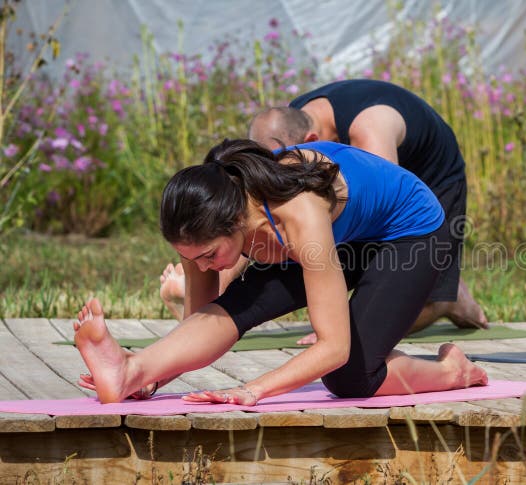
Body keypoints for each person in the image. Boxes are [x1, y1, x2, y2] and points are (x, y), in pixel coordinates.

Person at [75, 139, 487, 404]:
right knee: (235, 306)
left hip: (411, 233)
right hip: (343, 234)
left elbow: (333, 347)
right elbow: (205, 320)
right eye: (192, 259)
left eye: (209, 256)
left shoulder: (299, 214)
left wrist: (254, 389)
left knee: (349, 377)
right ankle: (126, 370)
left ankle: (454, 371)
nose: (201, 267)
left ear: (237, 221)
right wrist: (149, 374)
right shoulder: (203, 224)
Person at [160, 79, 488, 343]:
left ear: (309, 140)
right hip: (345, 183)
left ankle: (445, 298)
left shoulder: (369, 130)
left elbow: (382, 229)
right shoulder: (291, 121)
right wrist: (211, 292)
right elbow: (250, 224)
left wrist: (337, 322)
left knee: (392, 282)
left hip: (429, 178)